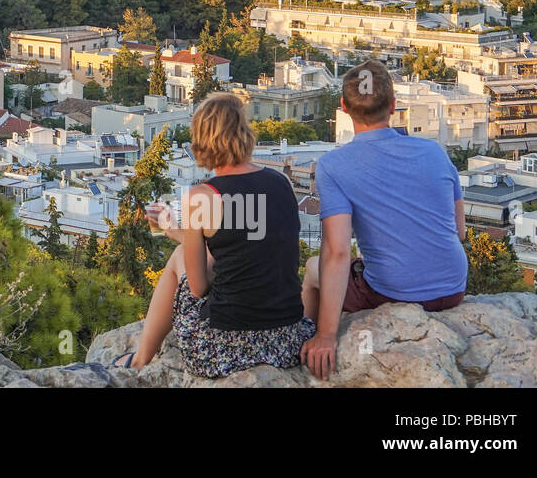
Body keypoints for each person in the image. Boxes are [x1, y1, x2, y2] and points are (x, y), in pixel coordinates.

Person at [113, 92, 314, 377]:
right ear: (244, 131)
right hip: (286, 340)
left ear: (202, 140)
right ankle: (140, 357)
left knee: (178, 257)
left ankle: (140, 358)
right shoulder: (281, 183)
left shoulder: (202, 197)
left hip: (223, 348)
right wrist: (175, 230)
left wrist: (171, 231)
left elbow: (197, 288)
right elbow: (242, 246)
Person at [301, 59, 467, 380]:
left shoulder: (333, 165)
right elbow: (458, 231)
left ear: (344, 108)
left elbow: (337, 253)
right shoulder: (434, 152)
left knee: (311, 269)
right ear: (393, 106)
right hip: (453, 287)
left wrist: (327, 334)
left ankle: (306, 348)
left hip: (393, 292)